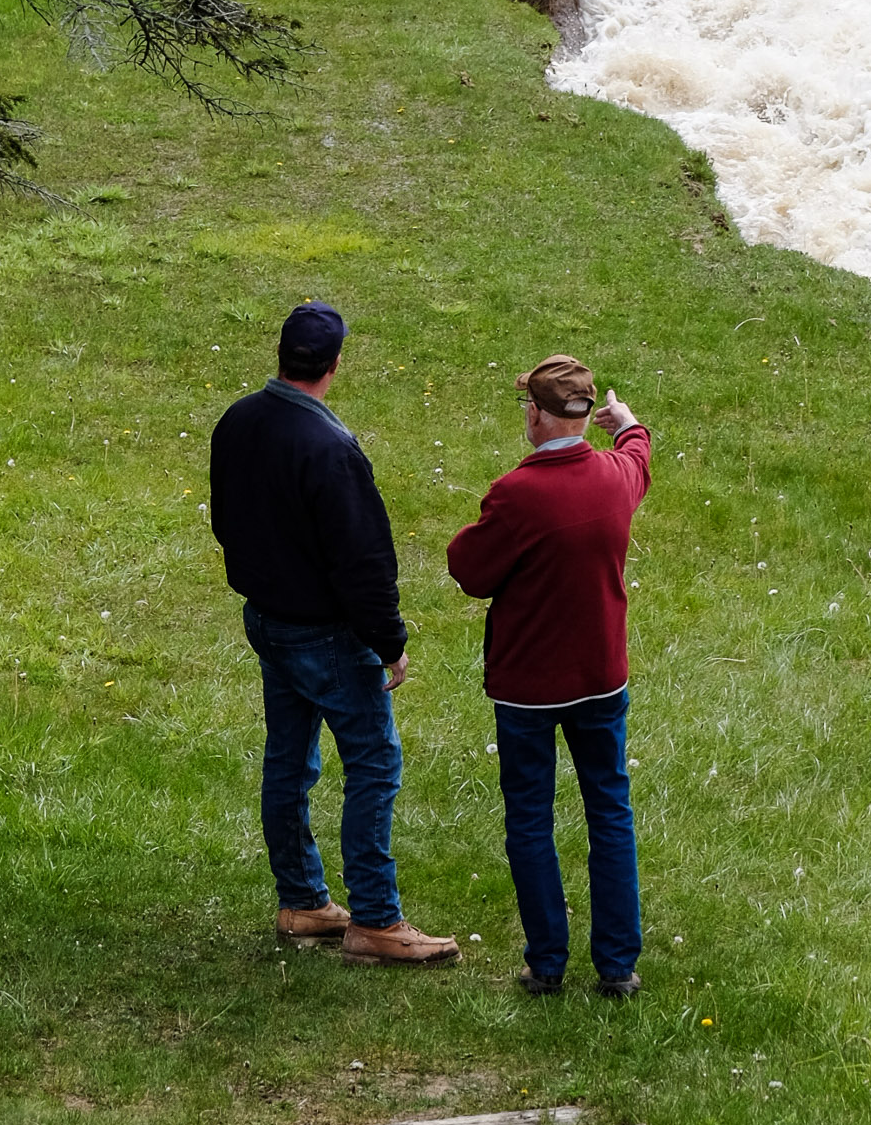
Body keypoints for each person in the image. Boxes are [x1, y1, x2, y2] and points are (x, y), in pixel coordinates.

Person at [209, 303, 458, 966]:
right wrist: (389, 639)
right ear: (335, 364)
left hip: (267, 619)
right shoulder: (330, 448)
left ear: (283, 354)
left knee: (289, 761)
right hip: (324, 633)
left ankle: (303, 902)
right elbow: (364, 559)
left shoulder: (238, 421)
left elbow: (225, 521)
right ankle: (375, 920)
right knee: (374, 763)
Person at [447, 355, 651, 997]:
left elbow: (469, 571)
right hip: (601, 678)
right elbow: (638, 456)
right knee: (610, 811)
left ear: (535, 412)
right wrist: (629, 424)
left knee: (531, 817)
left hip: (528, 689)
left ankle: (547, 963)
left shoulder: (516, 494)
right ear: (587, 414)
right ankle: (618, 967)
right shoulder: (616, 478)